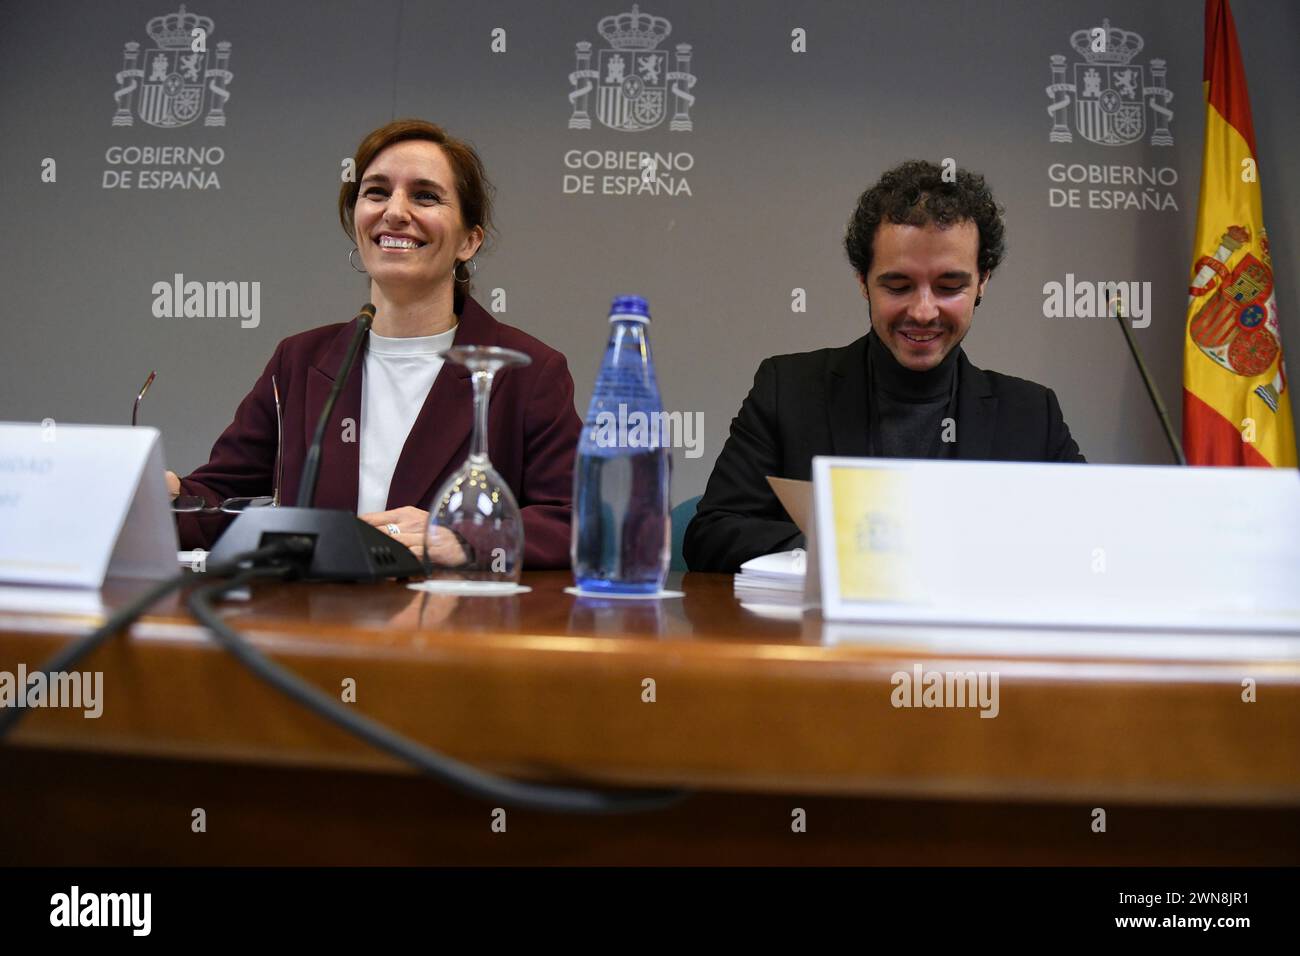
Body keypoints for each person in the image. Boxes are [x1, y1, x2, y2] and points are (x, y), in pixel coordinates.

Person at [168, 119, 582, 567]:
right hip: (309, 625)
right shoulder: (299, 360)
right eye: (377, 192)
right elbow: (219, 502)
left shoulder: (525, 369)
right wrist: (161, 494)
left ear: (469, 240)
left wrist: (464, 537)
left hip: (447, 625)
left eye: (425, 195)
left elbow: (577, 520)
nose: (395, 212)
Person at [685, 159, 1085, 573]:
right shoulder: (787, 389)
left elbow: (1094, 540)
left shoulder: (1034, 415)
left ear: (982, 280)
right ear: (863, 280)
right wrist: (854, 550)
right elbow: (711, 535)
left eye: (950, 287)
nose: (924, 311)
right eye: (898, 286)